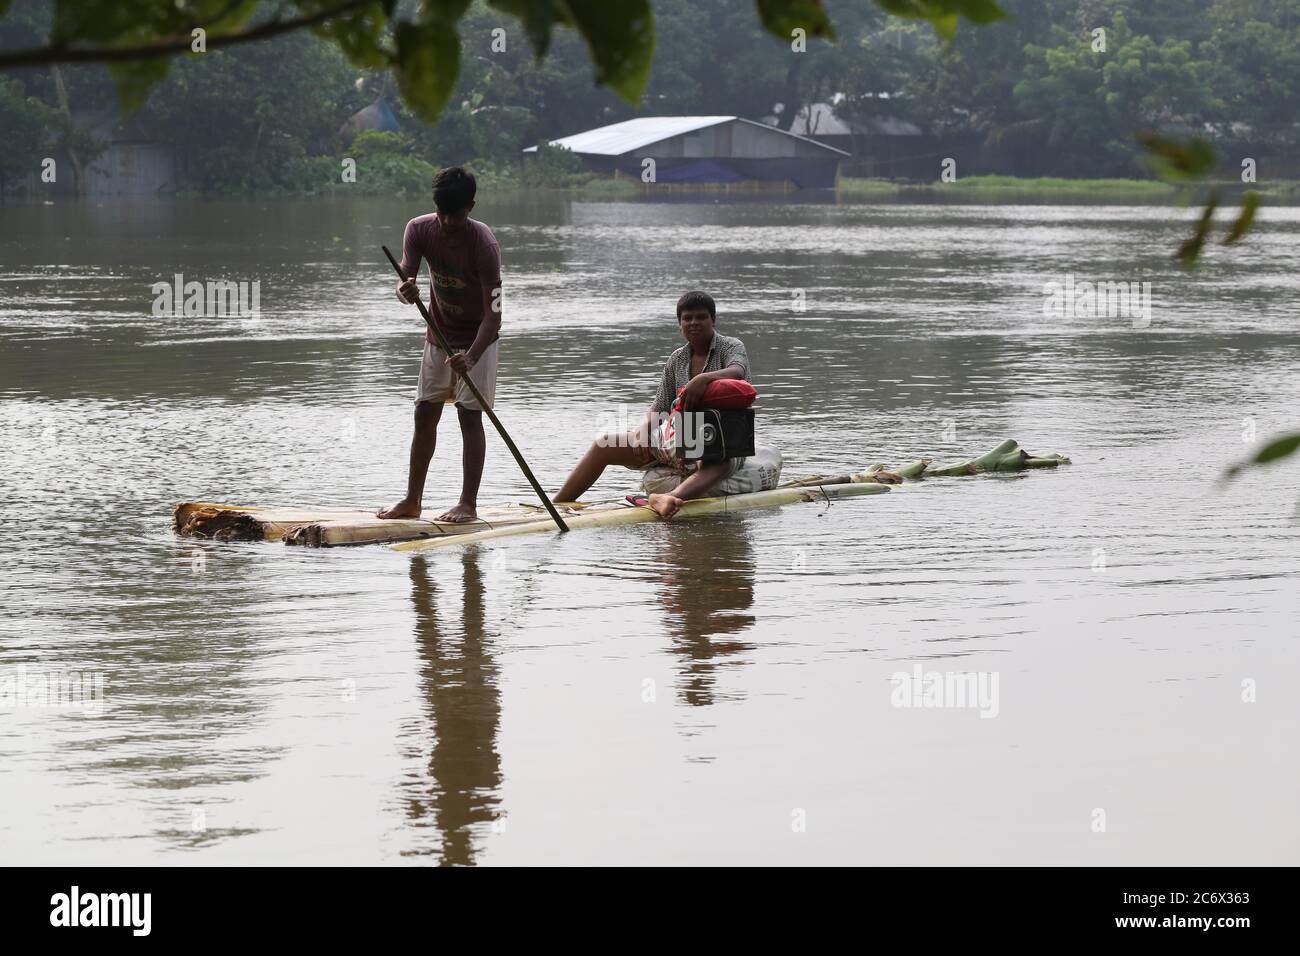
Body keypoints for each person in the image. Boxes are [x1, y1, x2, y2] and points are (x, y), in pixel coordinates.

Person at [554, 291, 758, 519]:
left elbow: (737, 371)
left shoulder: (731, 346)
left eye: (701, 317)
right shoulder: (677, 359)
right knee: (604, 445)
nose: (694, 323)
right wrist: (641, 432)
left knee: (715, 458)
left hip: (724, 436)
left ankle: (668, 498)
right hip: (681, 434)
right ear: (679, 323)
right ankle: (557, 504)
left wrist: (703, 379)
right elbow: (659, 408)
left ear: (713, 320)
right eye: (687, 318)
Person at [378, 166, 501, 523]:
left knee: (469, 417)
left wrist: (472, 356)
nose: (447, 222)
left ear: (471, 208)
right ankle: (412, 501)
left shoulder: (484, 245)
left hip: (479, 338)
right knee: (424, 414)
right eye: (442, 213)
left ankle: (468, 504)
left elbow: (495, 316)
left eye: (456, 215)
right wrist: (404, 291)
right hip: (439, 334)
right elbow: (407, 280)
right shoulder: (418, 229)